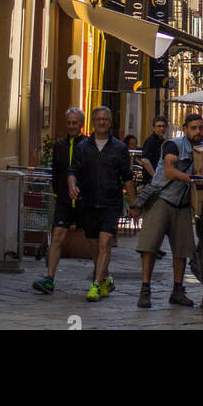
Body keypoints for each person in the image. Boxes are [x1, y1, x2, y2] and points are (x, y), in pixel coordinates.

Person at [135, 111, 203, 309]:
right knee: (150, 246)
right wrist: (193, 179)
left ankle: (177, 290)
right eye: (193, 128)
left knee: (181, 249)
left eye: (200, 128)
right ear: (185, 129)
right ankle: (145, 289)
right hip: (162, 199)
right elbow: (170, 171)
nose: (197, 132)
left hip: (183, 204)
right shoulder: (173, 144)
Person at [67, 105, 137, 302]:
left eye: (105, 119)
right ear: (93, 122)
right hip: (88, 202)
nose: (102, 122)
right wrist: (72, 186)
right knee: (94, 246)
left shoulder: (120, 148)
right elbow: (72, 171)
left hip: (111, 203)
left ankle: (96, 285)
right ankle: (106, 278)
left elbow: (127, 177)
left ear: (110, 122)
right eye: (98, 119)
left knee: (105, 243)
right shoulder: (82, 148)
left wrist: (133, 204)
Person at [32, 107, 88, 295]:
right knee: (56, 237)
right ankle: (49, 278)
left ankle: (102, 277)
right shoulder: (60, 145)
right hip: (64, 200)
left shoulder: (88, 145)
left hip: (84, 201)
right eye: (69, 123)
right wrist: (58, 193)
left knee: (95, 241)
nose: (71, 126)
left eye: (75, 123)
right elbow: (56, 172)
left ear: (81, 125)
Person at [140, 114, 168, 179]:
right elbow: (145, 160)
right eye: (159, 126)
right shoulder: (151, 141)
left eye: (164, 126)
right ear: (153, 128)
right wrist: (154, 176)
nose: (162, 128)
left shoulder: (163, 141)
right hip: (151, 179)